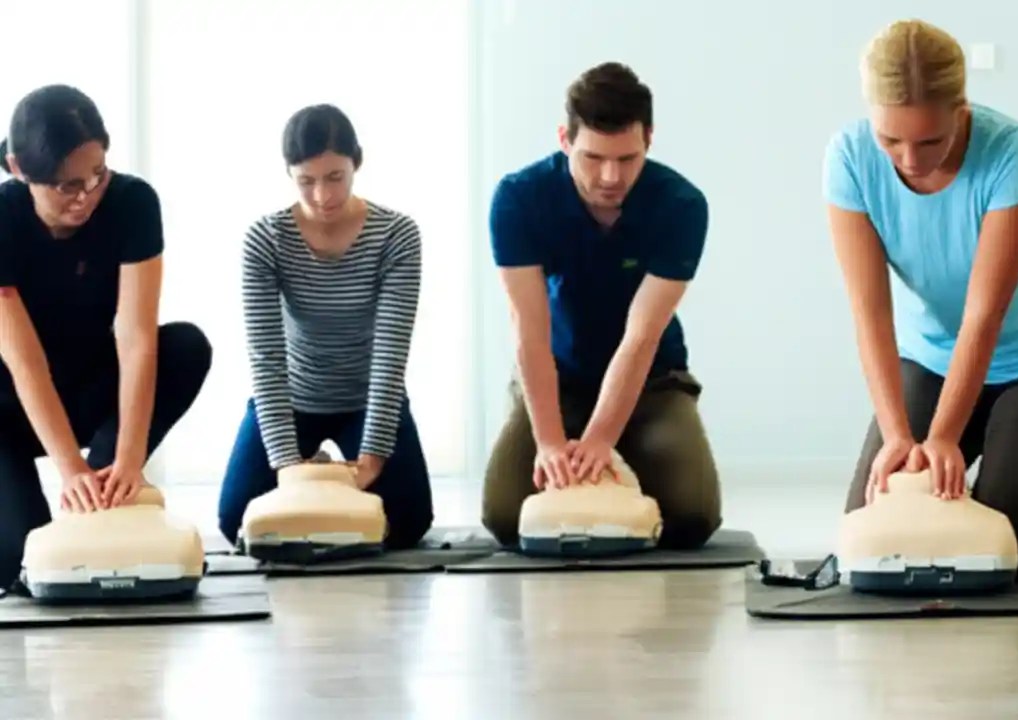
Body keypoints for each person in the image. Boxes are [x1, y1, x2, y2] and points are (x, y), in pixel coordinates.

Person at [824, 20, 1018, 578]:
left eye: (930, 140)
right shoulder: (849, 157)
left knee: (1015, 543)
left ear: (961, 108)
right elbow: (870, 311)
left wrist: (945, 436)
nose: (908, 158)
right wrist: (902, 435)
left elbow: (984, 313)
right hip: (932, 355)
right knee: (877, 524)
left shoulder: (1010, 151)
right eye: (891, 140)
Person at [483, 61, 721, 549]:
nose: (611, 177)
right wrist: (550, 442)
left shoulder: (681, 205)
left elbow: (642, 337)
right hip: (559, 378)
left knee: (693, 517)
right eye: (593, 158)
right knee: (508, 517)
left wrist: (599, 440)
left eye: (627, 158)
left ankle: (626, 453)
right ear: (564, 139)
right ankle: (586, 453)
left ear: (649, 140)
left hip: (653, 381)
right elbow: (530, 334)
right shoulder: (517, 199)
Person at [0, 84, 212, 588]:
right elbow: (24, 361)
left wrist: (127, 460)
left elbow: (137, 338)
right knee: (17, 564)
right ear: (18, 169)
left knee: (185, 346)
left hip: (90, 388)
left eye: (96, 175)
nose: (85, 196)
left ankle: (107, 485)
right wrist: (69, 471)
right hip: (9, 403)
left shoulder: (132, 202)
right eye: (66, 185)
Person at [217, 104, 433, 550]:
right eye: (307, 181)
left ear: (357, 163)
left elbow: (391, 353)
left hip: (365, 398)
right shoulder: (266, 238)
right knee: (236, 520)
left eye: (335, 177)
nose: (322, 195)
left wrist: (372, 457)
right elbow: (266, 358)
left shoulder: (397, 235)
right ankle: (319, 465)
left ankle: (335, 469)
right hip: (293, 397)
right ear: (289, 175)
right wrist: (286, 465)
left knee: (409, 522)